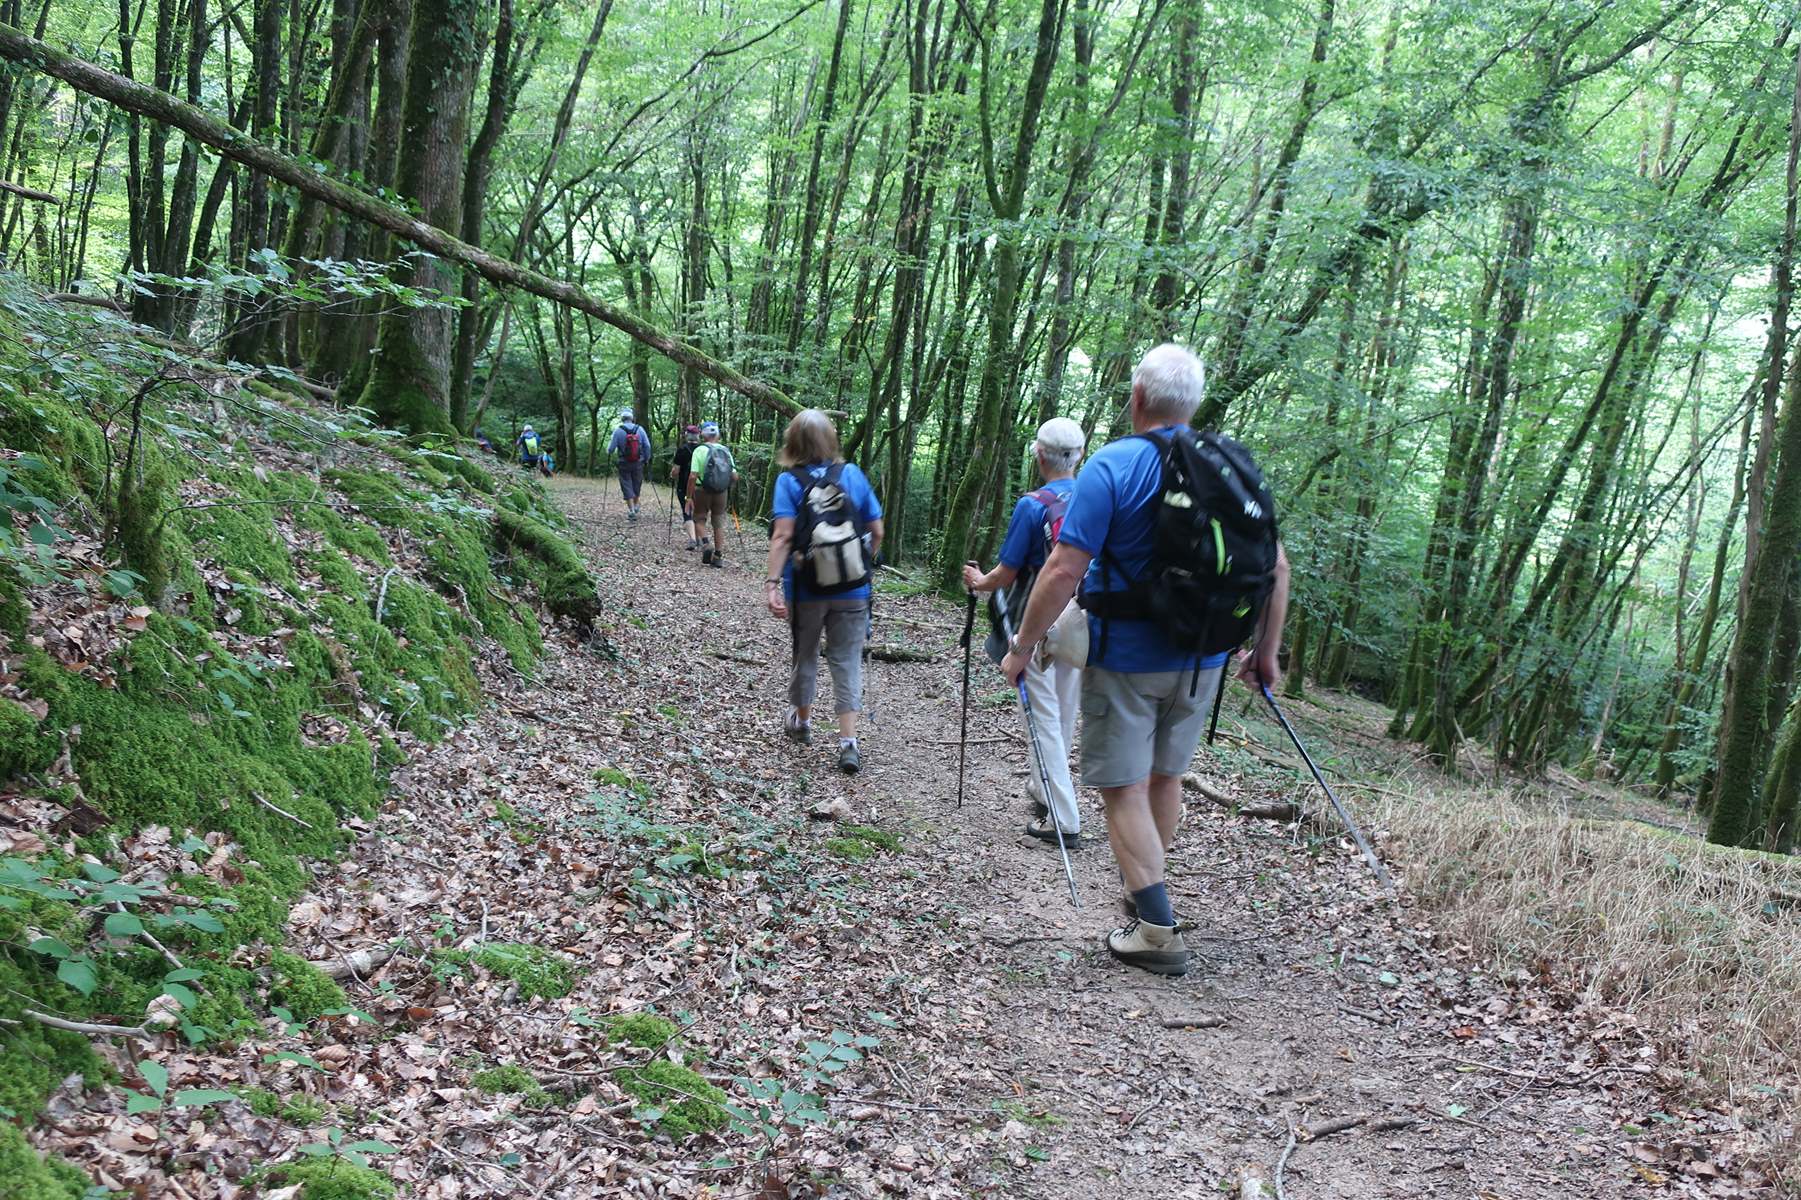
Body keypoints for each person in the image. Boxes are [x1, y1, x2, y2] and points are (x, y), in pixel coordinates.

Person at [1000, 344, 1290, 977]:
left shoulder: (1115, 465)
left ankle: (1156, 928)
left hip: (1129, 655)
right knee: (1165, 777)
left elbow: (1063, 567)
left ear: (1137, 398)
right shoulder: (1228, 463)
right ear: (1192, 404)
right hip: (1205, 658)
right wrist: (1265, 653)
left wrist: (1023, 647)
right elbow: (1275, 566)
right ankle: (1141, 891)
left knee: (1121, 783)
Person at [964, 417, 1088, 847]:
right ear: (1081, 455)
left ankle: (1064, 817)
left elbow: (1006, 572)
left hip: (1040, 621)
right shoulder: (1095, 497)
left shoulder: (1033, 505)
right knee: (1064, 710)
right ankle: (1043, 789)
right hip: (1084, 617)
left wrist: (978, 582)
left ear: (1039, 455)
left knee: (1043, 716)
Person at [764, 409, 883, 774]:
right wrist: (861, 564)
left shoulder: (789, 481)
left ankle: (802, 723)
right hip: (853, 589)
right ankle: (849, 742)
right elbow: (876, 530)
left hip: (806, 587)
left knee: (806, 653)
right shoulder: (852, 475)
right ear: (831, 440)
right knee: (846, 659)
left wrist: (772, 584)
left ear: (792, 443)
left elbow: (783, 535)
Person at [687, 422, 737, 568]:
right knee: (718, 522)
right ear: (718, 434)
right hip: (721, 491)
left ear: (702, 434)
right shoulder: (725, 451)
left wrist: (688, 497)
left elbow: (692, 476)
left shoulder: (699, 450)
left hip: (702, 490)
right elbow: (734, 476)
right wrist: (726, 486)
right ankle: (718, 556)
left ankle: (706, 544)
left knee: (699, 518)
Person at [608, 409, 652, 520]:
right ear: (632, 418)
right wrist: (646, 458)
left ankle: (631, 510)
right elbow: (647, 446)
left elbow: (610, 449)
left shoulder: (618, 431)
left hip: (624, 463)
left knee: (626, 484)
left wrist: (609, 452)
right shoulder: (640, 429)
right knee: (637, 483)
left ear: (622, 419)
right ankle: (636, 505)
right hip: (638, 462)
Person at [670, 424, 703, 549]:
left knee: (687, 511)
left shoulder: (682, 450)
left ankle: (693, 539)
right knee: (699, 512)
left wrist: (672, 475)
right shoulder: (703, 449)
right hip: (701, 486)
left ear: (686, 435)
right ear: (698, 435)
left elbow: (675, 471)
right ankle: (700, 537)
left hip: (684, 485)